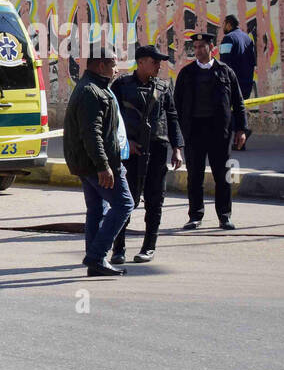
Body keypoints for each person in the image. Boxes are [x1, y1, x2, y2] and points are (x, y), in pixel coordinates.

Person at [110, 46, 184, 264]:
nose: (159, 66)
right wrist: (126, 143)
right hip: (130, 152)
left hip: (157, 151)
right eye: (155, 61)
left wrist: (177, 148)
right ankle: (118, 248)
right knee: (125, 200)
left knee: (155, 200)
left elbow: (172, 117)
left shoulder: (163, 87)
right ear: (141, 62)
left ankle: (149, 246)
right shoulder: (121, 86)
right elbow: (112, 118)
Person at [63, 55, 134, 276]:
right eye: (113, 65)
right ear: (101, 65)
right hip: (97, 164)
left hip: (89, 163)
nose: (116, 70)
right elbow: (91, 133)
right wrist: (103, 165)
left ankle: (96, 261)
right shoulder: (91, 92)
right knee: (124, 204)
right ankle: (96, 255)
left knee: (97, 209)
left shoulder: (95, 88)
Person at [174, 32, 247, 230]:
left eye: (201, 47)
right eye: (195, 47)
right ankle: (195, 216)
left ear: (211, 48)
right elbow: (176, 106)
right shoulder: (186, 73)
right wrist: (178, 137)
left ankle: (224, 216)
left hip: (219, 132)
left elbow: (238, 103)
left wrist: (241, 130)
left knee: (222, 175)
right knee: (194, 176)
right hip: (194, 131)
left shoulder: (225, 72)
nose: (197, 50)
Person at [219, 15, 255, 148]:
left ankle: (242, 131)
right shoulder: (247, 38)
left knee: (227, 109)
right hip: (247, 82)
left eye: (224, 24)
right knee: (238, 109)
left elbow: (224, 62)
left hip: (232, 82)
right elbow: (253, 61)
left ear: (228, 24)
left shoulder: (228, 38)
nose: (223, 27)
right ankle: (240, 141)